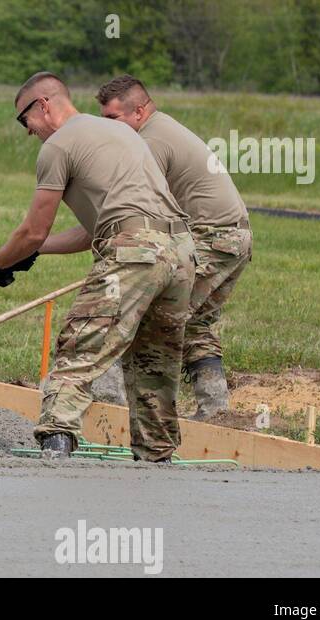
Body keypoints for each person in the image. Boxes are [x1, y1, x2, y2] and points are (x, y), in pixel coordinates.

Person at [0, 72, 196, 462]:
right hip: (180, 252)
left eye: (23, 119)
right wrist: (37, 252)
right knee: (154, 365)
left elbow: (32, 230)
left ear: (43, 105)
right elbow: (89, 232)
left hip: (134, 251)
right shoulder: (123, 134)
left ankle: (56, 442)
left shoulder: (57, 147)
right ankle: (156, 457)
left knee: (80, 346)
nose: (28, 131)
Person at [96, 74, 253, 420]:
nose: (107, 128)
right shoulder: (159, 130)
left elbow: (137, 212)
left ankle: (108, 401)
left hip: (212, 238)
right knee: (192, 323)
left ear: (139, 111)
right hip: (231, 238)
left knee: (137, 307)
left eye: (112, 119)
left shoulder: (150, 142)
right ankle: (215, 412)